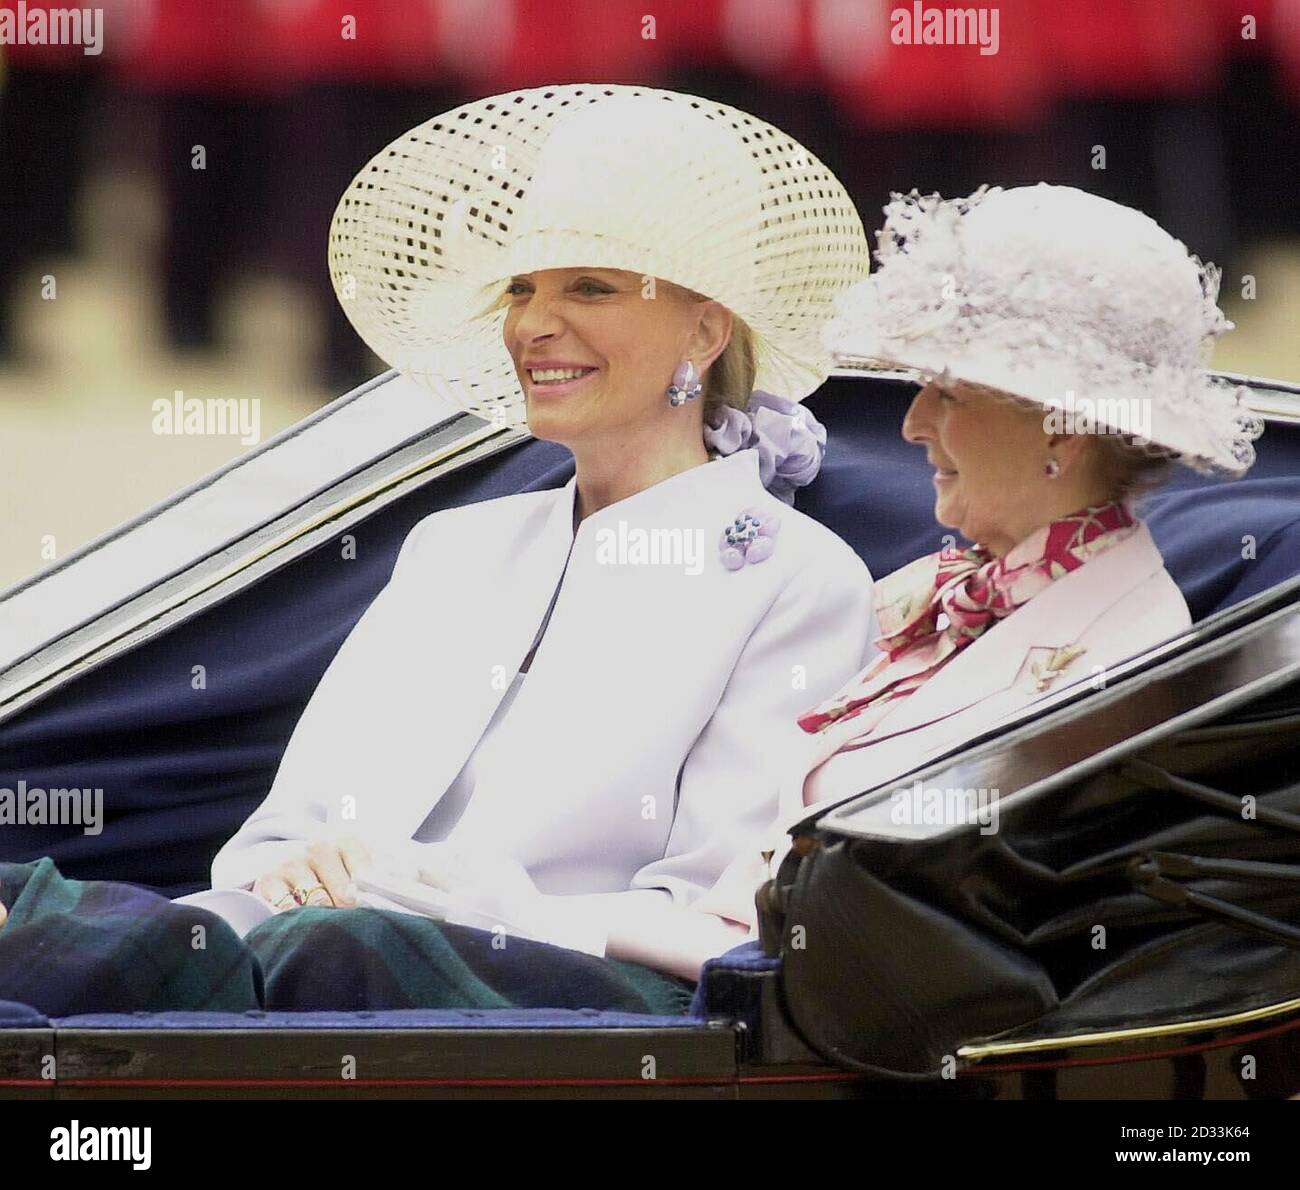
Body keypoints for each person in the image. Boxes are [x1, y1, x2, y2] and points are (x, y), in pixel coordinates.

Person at [690, 183, 1264, 937]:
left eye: (947, 394)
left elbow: (913, 937)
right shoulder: (971, 597)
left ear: (1061, 431)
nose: (912, 424)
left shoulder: (1114, 663)